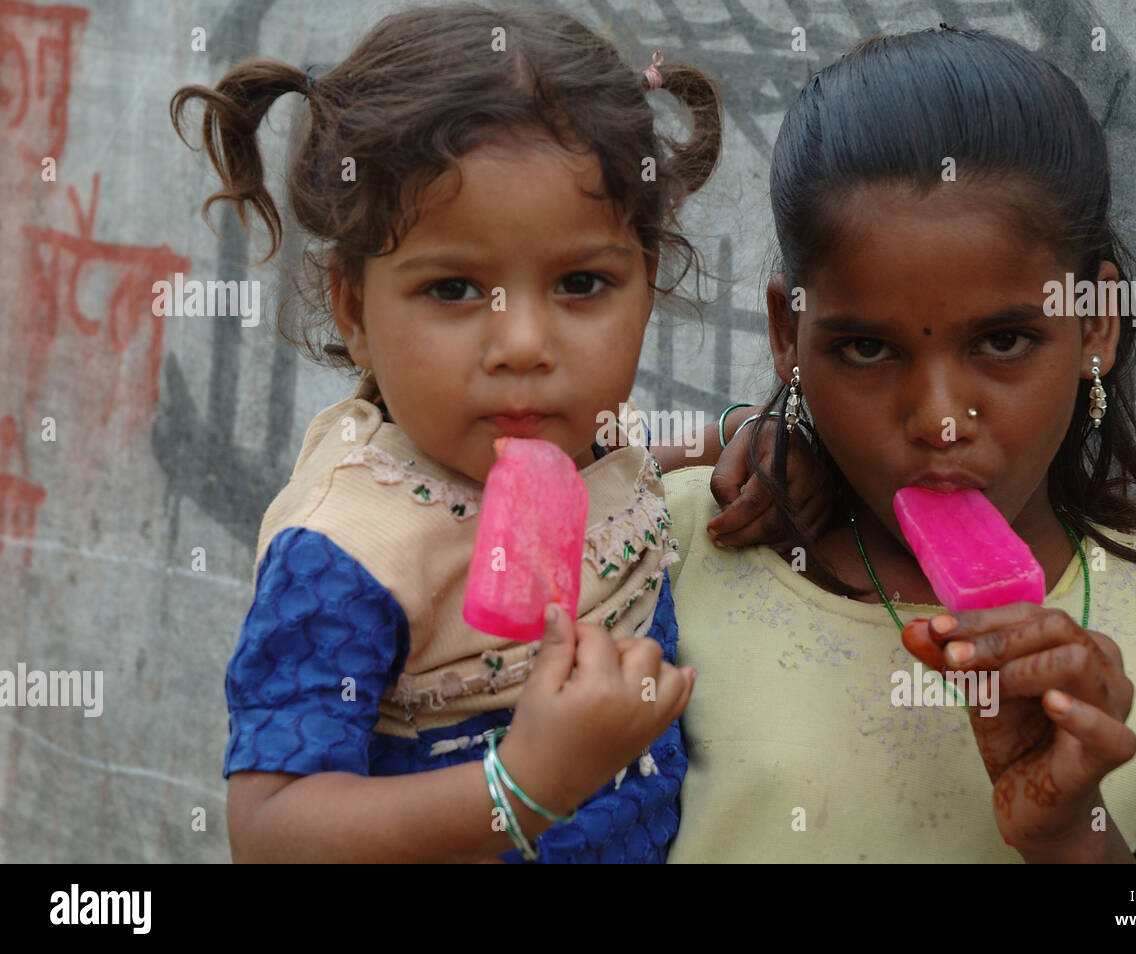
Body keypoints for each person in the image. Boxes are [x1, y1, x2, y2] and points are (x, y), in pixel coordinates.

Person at [660, 26, 1136, 862]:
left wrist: (1078, 836)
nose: (940, 421)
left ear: (1095, 323)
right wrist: (730, 432)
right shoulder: (675, 545)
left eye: (1002, 342)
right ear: (790, 334)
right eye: (866, 348)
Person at [169, 3, 723, 862]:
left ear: (646, 283)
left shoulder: (592, 435)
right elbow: (271, 832)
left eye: (581, 281)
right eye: (455, 291)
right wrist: (525, 785)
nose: (525, 347)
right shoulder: (352, 553)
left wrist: (739, 443)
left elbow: (628, 477)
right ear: (354, 309)